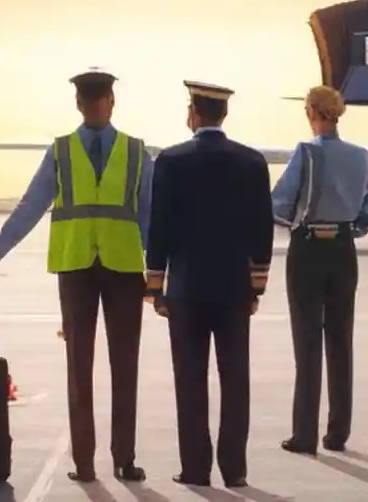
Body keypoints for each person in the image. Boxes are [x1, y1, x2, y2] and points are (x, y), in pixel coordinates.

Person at [0, 68, 152, 484]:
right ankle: (84, 462)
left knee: (126, 367)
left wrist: (157, 271)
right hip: (75, 267)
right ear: (79, 104)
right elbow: (32, 204)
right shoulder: (61, 151)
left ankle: (124, 457)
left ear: (112, 103)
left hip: (124, 268)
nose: (95, 106)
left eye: (101, 99)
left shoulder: (137, 152)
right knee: (78, 367)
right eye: (89, 100)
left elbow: (150, 214)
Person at [146, 81, 275, 488]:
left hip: (186, 287)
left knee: (190, 380)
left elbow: (159, 226)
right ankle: (234, 469)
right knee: (235, 380)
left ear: (194, 113)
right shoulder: (251, 162)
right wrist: (257, 285)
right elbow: (262, 229)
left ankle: (196, 468)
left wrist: (155, 284)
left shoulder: (171, 161)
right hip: (234, 286)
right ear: (224, 114)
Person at [271, 85, 368, 455]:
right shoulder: (361, 156)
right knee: (340, 341)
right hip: (344, 250)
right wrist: (345, 228)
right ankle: (338, 431)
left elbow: (280, 203)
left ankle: (305, 433)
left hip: (310, 248)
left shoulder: (307, 152)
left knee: (308, 342)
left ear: (312, 112)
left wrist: (293, 222)